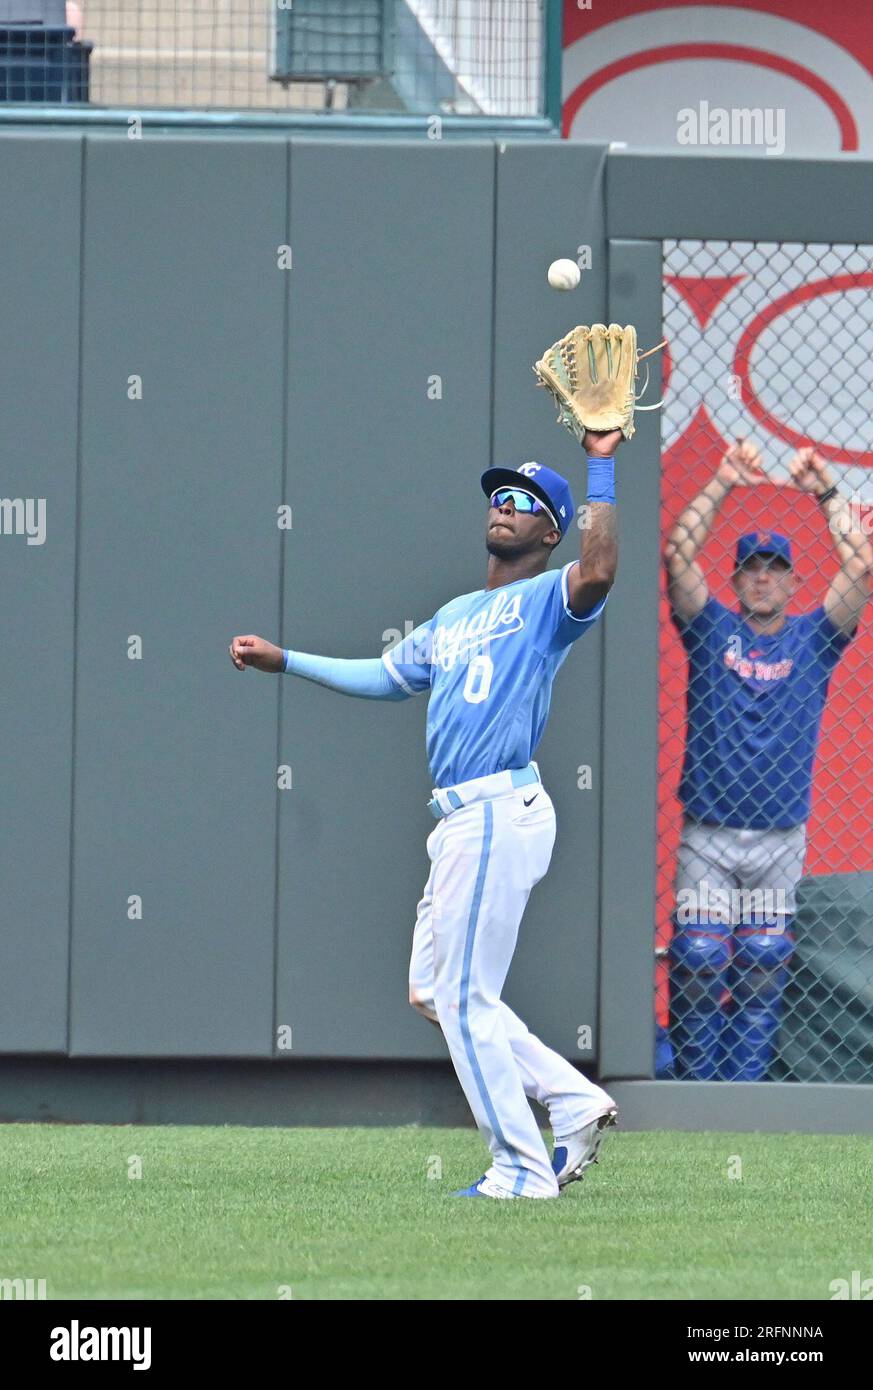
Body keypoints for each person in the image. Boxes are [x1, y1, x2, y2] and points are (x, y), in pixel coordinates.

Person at [229, 432, 622, 1198]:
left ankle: (519, 1170)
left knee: (467, 998)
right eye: (499, 497)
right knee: (432, 992)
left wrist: (600, 463)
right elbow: (384, 676)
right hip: (459, 821)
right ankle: (571, 1100)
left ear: (551, 532)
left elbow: (600, 567)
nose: (505, 508)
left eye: (527, 504)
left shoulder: (547, 602)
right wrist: (289, 661)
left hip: (497, 807)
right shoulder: (456, 613)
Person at [663, 441, 872, 1081]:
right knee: (699, 957)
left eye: (775, 568)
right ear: (736, 578)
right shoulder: (711, 628)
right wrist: (724, 481)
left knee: (760, 962)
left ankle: (743, 1098)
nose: (762, 577)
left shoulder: (815, 637)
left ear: (791, 579)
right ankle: (695, 1094)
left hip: (780, 838)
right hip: (711, 835)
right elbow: (676, 555)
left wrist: (827, 492)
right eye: (751, 567)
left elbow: (861, 568)